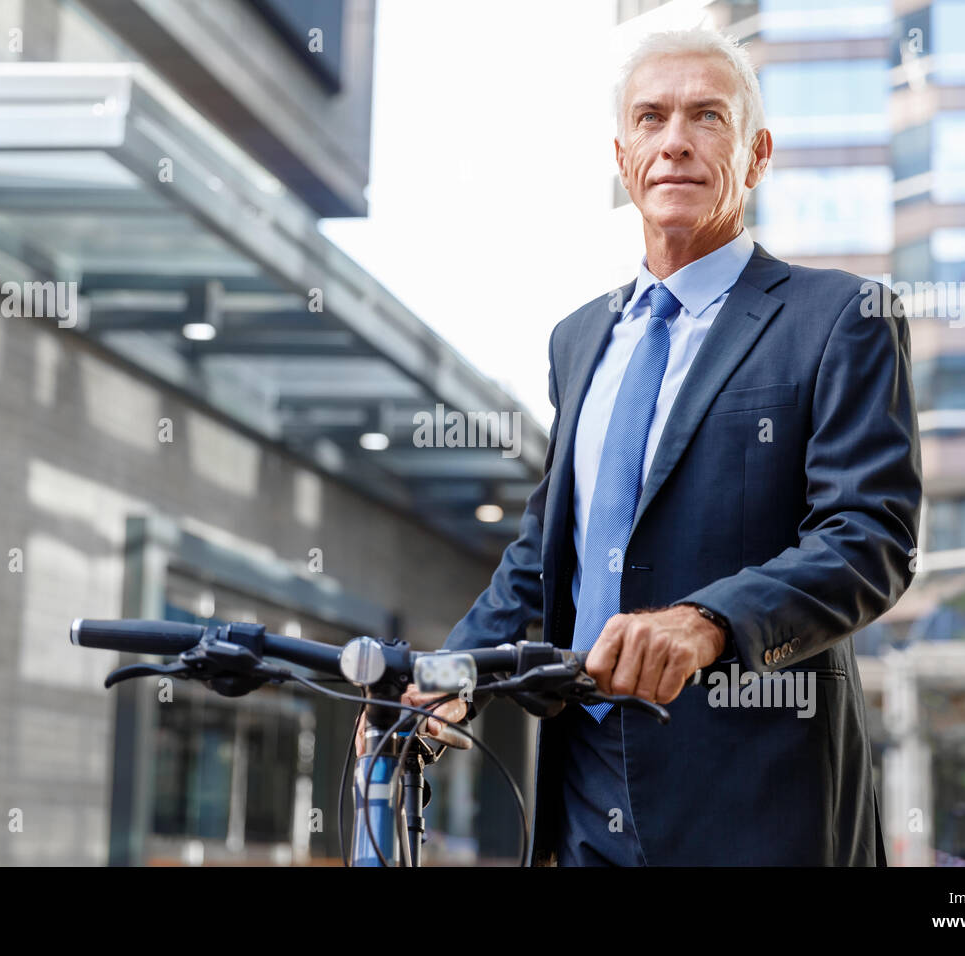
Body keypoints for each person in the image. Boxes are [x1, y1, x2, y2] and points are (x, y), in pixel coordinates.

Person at [378, 25, 921, 866]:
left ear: (756, 152)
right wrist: (445, 679)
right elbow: (545, 555)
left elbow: (868, 540)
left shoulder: (842, 317)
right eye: (651, 118)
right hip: (583, 795)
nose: (675, 141)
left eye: (707, 117)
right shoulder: (579, 339)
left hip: (759, 805)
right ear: (623, 154)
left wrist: (707, 622)